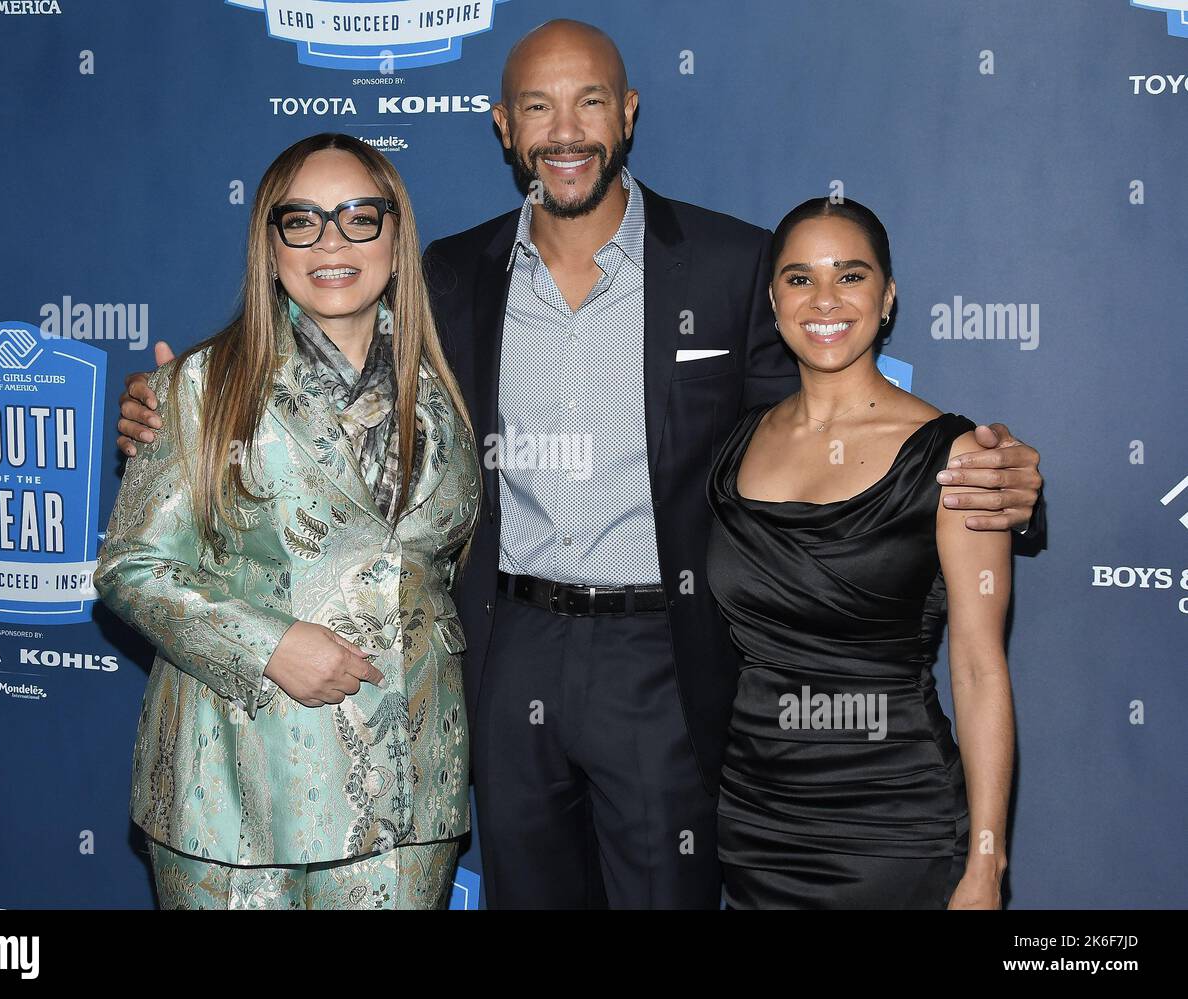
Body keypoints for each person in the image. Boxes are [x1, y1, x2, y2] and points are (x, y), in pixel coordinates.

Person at [114, 21, 1043, 909]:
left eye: (589, 103)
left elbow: (820, 415)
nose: (565, 132)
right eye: (538, 108)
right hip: (507, 646)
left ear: (628, 113)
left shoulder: (727, 264)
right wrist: (181, 406)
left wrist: (991, 476)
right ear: (503, 126)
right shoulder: (447, 276)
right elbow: (305, 368)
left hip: (661, 655)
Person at [94, 132, 480, 909]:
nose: (330, 241)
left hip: (409, 794)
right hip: (234, 790)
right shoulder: (199, 387)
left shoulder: (450, 389)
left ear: (396, 240)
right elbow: (130, 567)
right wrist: (271, 644)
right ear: (269, 247)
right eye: (300, 221)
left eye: (358, 217)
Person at [706, 197, 1013, 909]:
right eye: (798, 278)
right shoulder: (734, 445)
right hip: (754, 823)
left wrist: (986, 865)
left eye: (850, 275)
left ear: (888, 297)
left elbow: (977, 668)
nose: (824, 300)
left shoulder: (957, 457)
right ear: (774, 300)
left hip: (895, 825)